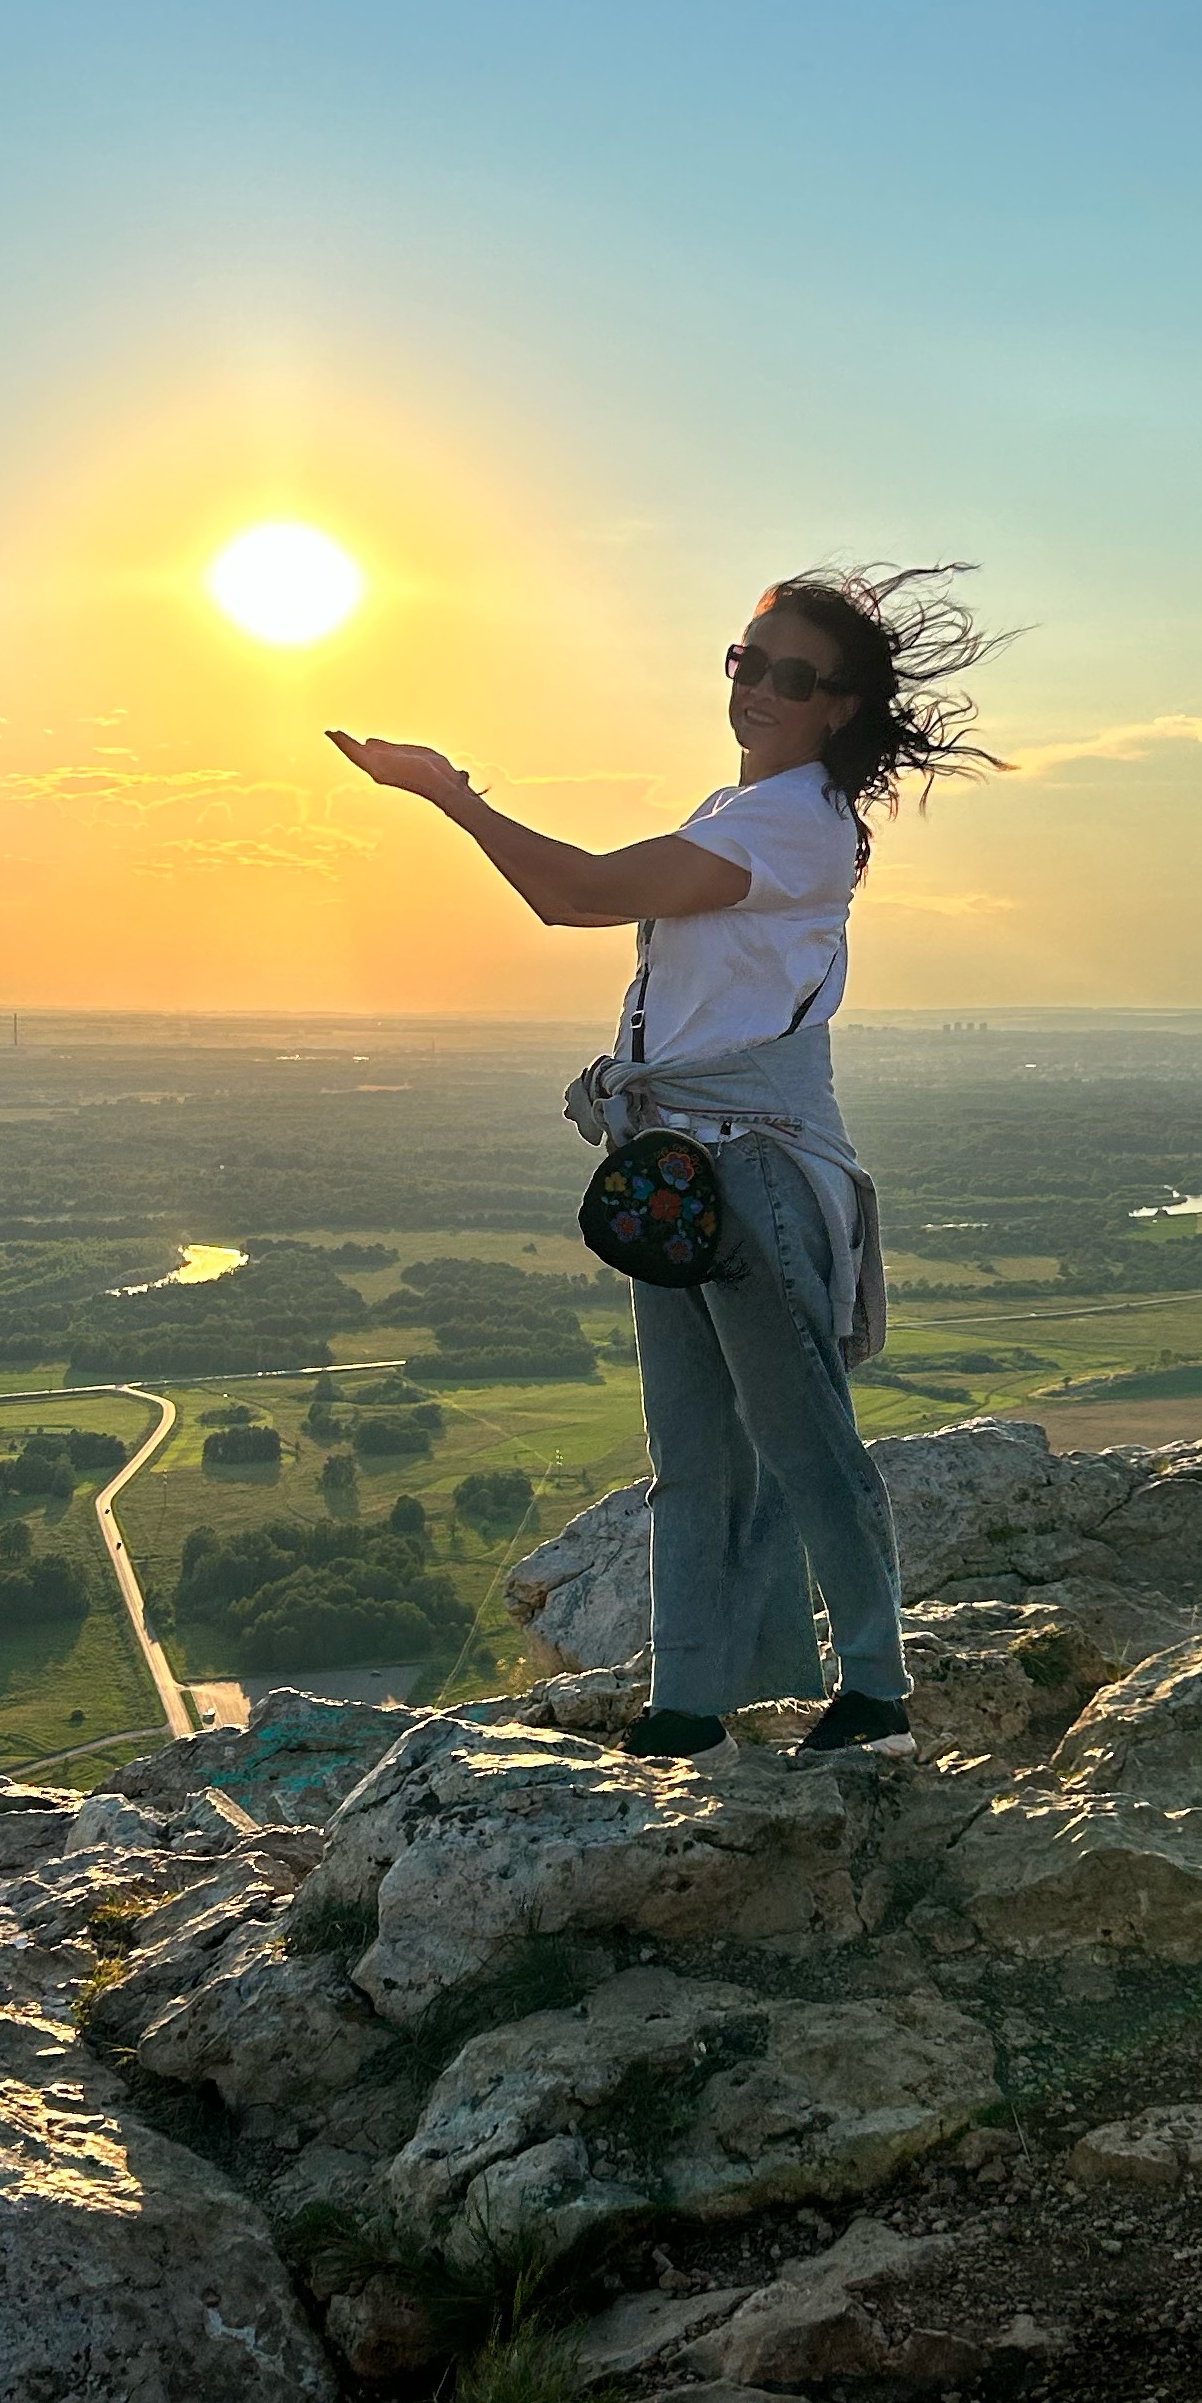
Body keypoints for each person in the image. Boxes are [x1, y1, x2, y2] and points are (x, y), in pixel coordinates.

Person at [330, 568, 995, 1759]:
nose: (756, 691)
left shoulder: (791, 824)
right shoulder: (741, 816)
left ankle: (878, 1694)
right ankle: (688, 1707)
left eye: (792, 676)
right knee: (692, 1455)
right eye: (745, 662)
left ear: (839, 706)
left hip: (754, 1172)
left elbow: (572, 893)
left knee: (803, 1443)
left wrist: (449, 796)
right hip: (684, 1165)